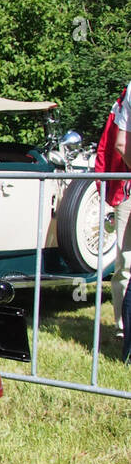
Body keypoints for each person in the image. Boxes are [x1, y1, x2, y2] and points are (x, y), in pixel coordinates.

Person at [93, 81, 131, 346]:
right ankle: (123, 329)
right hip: (128, 187)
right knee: (126, 262)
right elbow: (120, 144)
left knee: (127, 263)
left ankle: (123, 329)